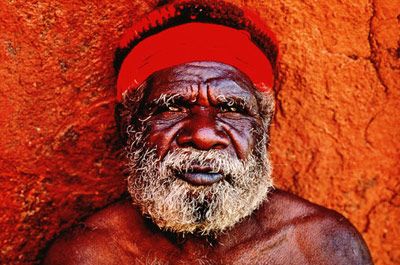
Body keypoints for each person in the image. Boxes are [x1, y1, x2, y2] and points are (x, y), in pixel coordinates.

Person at [43, 1, 373, 264]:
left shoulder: (320, 249)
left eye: (232, 109)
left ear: (263, 127)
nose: (203, 135)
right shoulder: (89, 255)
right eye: (173, 107)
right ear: (129, 125)